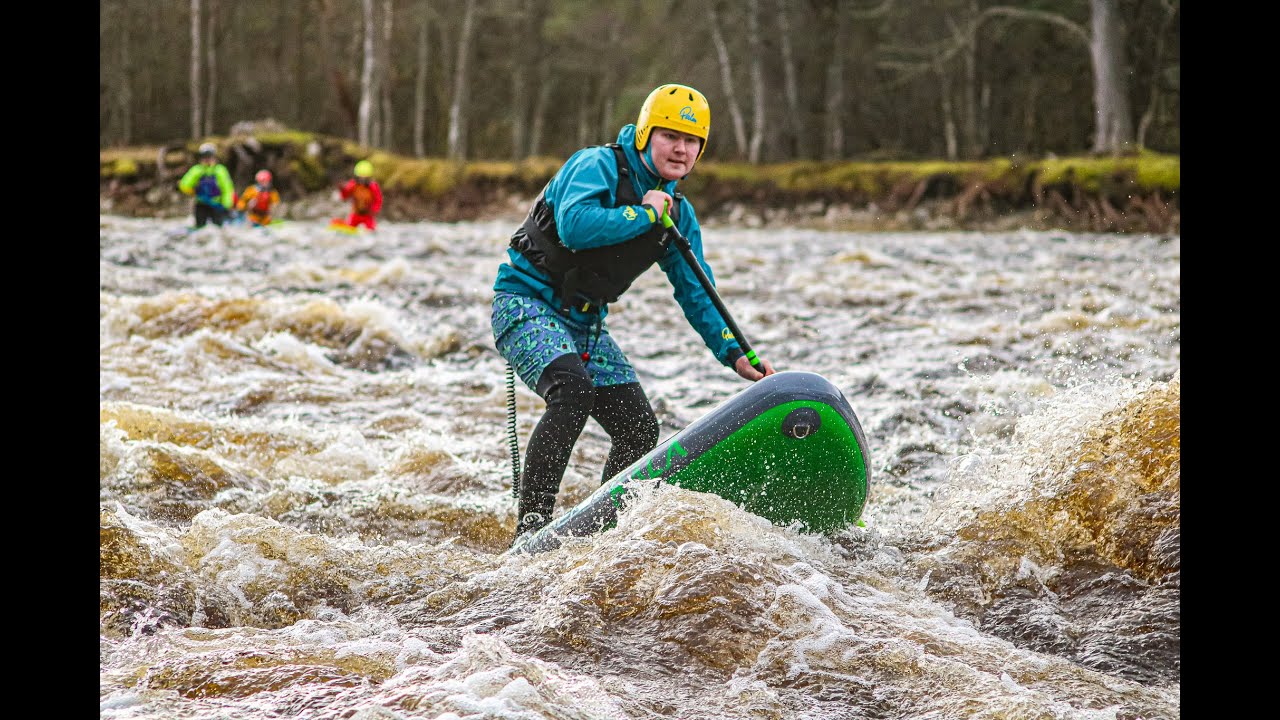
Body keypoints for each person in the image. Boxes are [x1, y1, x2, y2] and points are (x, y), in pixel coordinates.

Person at [492, 82, 776, 544]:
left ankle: (605, 535)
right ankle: (530, 532)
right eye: (670, 137)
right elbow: (575, 226)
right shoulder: (597, 166)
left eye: (692, 142)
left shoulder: (678, 215)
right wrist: (643, 215)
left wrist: (735, 354)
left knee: (639, 427)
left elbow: (697, 290)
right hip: (524, 301)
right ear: (646, 134)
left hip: (584, 324)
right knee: (572, 391)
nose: (681, 149)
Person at [177, 143, 236, 228]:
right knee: (200, 227)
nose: (207, 159)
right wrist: (192, 191)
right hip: (201, 204)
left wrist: (227, 205)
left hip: (217, 205)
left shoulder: (220, 170)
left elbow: (227, 189)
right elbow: (185, 185)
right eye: (205, 156)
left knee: (218, 227)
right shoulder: (197, 170)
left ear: (214, 157)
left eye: (210, 156)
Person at [333, 160, 383, 230]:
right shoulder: (353, 184)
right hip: (355, 214)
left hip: (368, 215)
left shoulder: (373, 187)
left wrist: (374, 210)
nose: (362, 180)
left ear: (369, 177)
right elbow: (344, 196)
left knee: (371, 229)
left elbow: (378, 200)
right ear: (357, 176)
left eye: (365, 177)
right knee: (349, 226)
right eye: (361, 177)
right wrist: (341, 189)